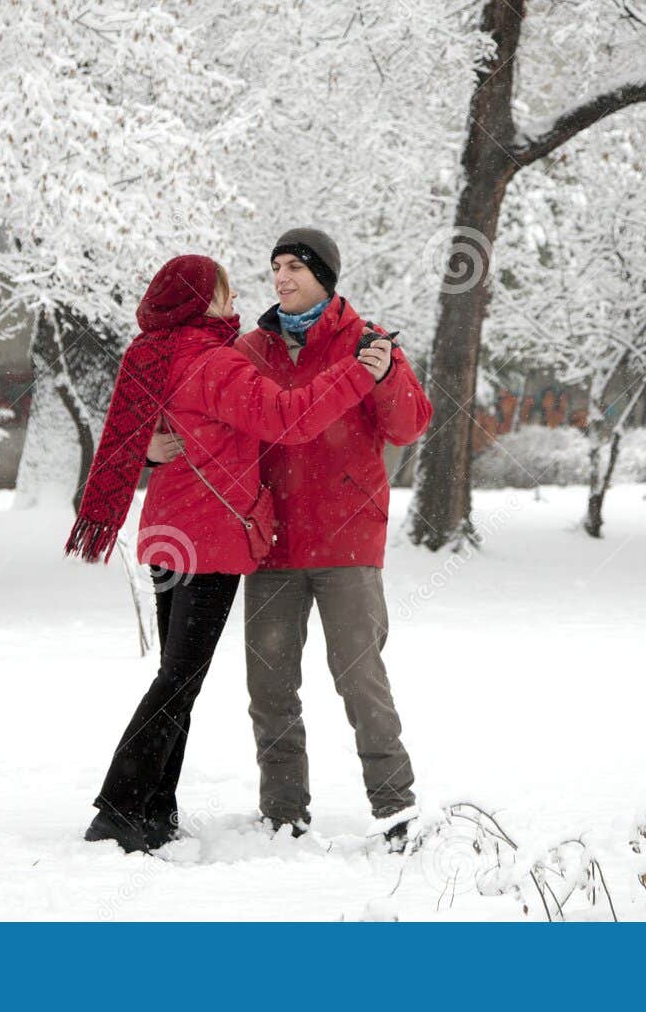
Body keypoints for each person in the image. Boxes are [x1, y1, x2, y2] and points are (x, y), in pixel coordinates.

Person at [66, 253, 390, 854]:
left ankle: (156, 810)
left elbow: (143, 431)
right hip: (208, 540)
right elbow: (289, 419)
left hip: (166, 533)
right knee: (179, 679)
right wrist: (354, 376)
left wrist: (152, 453)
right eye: (222, 290)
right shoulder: (214, 363)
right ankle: (119, 809)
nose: (234, 297)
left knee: (176, 676)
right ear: (197, 299)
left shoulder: (155, 351)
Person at [148, 228, 431, 849]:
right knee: (270, 686)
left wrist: (382, 377)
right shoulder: (250, 349)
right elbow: (183, 401)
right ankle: (282, 812)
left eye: (294, 266)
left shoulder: (367, 342)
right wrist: (145, 446)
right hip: (271, 543)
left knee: (360, 679)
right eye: (274, 267)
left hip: (347, 542)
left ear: (325, 275)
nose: (281, 278)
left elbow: (410, 426)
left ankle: (395, 809)